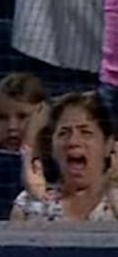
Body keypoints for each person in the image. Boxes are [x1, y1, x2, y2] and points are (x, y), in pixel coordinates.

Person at [10, 91, 117, 221]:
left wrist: (113, 192)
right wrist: (39, 205)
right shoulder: (30, 203)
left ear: (108, 145)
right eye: (63, 133)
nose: (73, 142)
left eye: (86, 133)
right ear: (52, 147)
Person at [0, 71, 46, 152]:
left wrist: (29, 141)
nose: (12, 127)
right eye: (1, 117)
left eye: (22, 116)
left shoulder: (54, 150)